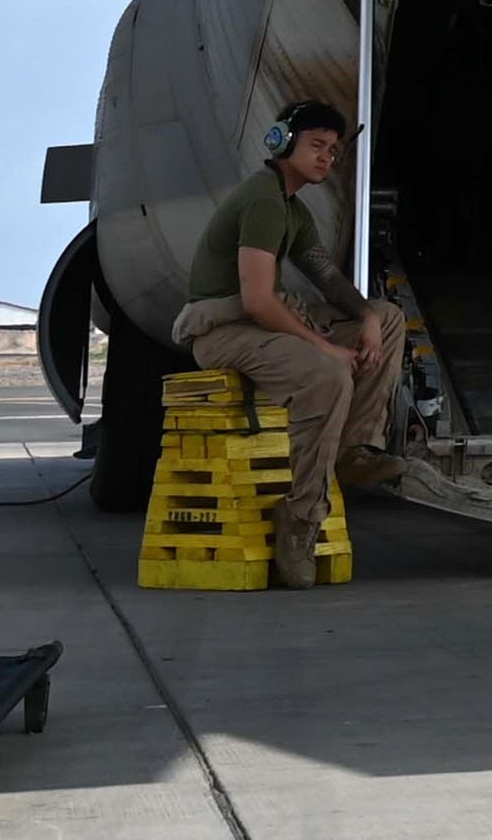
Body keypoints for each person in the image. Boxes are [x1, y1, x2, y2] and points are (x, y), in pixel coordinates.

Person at [173, 97, 403, 589]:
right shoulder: (262, 200)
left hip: (260, 326)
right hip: (223, 333)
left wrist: (364, 317)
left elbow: (327, 279)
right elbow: (257, 300)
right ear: (282, 143)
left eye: (334, 150)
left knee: (388, 319)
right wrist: (325, 348)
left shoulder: (291, 210)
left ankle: (353, 449)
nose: (327, 157)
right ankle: (299, 519)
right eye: (317, 145)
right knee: (327, 373)